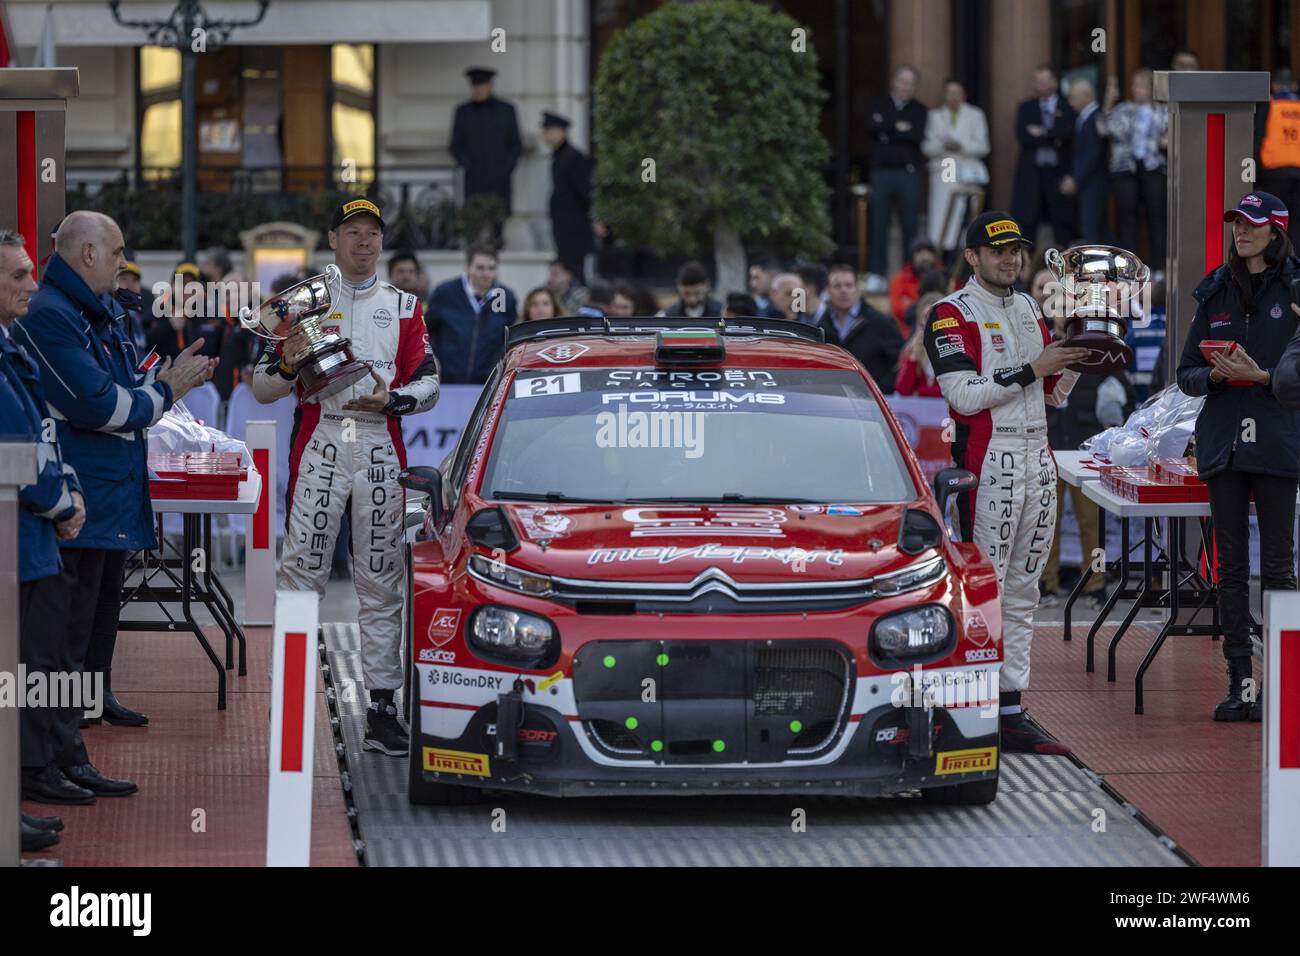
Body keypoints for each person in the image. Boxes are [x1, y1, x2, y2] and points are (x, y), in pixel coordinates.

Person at [14, 211, 215, 799]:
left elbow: (122, 388)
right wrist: (166, 390)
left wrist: (153, 388)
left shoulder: (91, 312)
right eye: (119, 250)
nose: (126, 261)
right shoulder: (54, 316)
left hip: (103, 501)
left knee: (88, 634)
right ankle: (43, 762)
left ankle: (67, 752)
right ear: (88, 255)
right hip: (78, 506)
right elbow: (101, 405)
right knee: (59, 645)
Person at [253, 197, 440, 755]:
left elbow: (429, 381)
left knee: (381, 581)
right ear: (332, 239)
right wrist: (287, 361)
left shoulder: (405, 305)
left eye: (373, 233)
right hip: (322, 441)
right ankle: (288, 697)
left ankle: (382, 709)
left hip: (381, 444)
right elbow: (263, 387)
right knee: (301, 570)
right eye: (352, 232)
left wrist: (397, 398)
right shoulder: (304, 300)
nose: (364, 242)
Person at [923, 211, 1089, 753]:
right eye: (998, 250)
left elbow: (1053, 394)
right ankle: (975, 705)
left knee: (1024, 591)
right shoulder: (950, 314)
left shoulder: (1025, 307)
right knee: (984, 589)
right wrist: (1034, 369)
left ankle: (1011, 706)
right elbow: (963, 396)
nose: (1010, 258)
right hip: (986, 464)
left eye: (1016, 249)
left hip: (1037, 458)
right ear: (972, 256)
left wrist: (1081, 350)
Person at [1176, 192, 1300, 722]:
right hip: (1223, 440)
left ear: (1276, 230)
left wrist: (1265, 377)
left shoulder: (1296, 287)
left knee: (1277, 567)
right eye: (1235, 223)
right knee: (1229, 569)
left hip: (1277, 441)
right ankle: (1241, 682)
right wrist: (1217, 376)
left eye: (1251, 224)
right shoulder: (1216, 288)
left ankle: (1284, 684)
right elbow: (1185, 375)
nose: (1240, 232)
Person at [0, 230, 83, 848]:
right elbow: (11, 455)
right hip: (14, 543)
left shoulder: (10, 345)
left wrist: (66, 493)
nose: (33, 282)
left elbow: (42, 431)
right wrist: (60, 503)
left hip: (26, 543)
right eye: (20, 275)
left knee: (27, 672)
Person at [1036, 266, 1136, 609]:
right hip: (1046, 443)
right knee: (1045, 522)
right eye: (1059, 305)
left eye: (1070, 305)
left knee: (1091, 524)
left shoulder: (1097, 342)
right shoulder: (1038, 343)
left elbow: (1121, 383)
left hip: (1084, 446)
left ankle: (1094, 583)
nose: (1064, 311)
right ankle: (1045, 584)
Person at [865, 65, 928, 292]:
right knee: (878, 223)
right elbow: (873, 126)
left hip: (907, 172)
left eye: (910, 83)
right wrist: (898, 129)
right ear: (894, 82)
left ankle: (908, 274)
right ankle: (877, 273)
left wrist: (888, 132)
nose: (905, 87)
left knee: (909, 225)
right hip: (881, 172)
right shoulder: (878, 104)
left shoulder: (919, 110)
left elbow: (916, 135)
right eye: (902, 81)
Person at [1097, 68, 1169, 269]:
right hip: (1125, 168)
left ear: (1152, 88)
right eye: (1134, 85)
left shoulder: (1164, 111)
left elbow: (1175, 136)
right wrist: (1108, 101)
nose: (1137, 90)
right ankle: (1129, 267)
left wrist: (1169, 140)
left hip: (1153, 167)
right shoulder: (1123, 109)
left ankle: (1158, 269)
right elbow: (1103, 128)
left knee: (1157, 217)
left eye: (1141, 85)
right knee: (1127, 217)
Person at [426, 243, 519, 384]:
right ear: (468, 267)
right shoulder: (445, 293)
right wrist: (432, 362)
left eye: (491, 268)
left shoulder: (506, 297)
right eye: (480, 268)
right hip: (447, 382)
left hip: (488, 385)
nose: (486, 274)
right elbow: (425, 332)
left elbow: (509, 338)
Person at [449, 67, 522, 235]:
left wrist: (506, 169)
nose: (478, 90)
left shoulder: (507, 110)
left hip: (500, 179)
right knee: (473, 225)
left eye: (482, 86)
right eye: (475, 86)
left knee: (499, 226)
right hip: (474, 179)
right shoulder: (463, 112)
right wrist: (468, 165)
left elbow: (516, 144)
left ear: (490, 86)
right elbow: (455, 145)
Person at [922, 78, 990, 254]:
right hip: (944, 169)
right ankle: (942, 252)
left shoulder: (975, 115)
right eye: (949, 93)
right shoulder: (934, 116)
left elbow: (984, 146)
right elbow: (926, 146)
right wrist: (943, 146)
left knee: (967, 216)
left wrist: (961, 145)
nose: (953, 97)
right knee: (942, 215)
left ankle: (966, 253)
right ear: (944, 94)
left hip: (968, 172)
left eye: (957, 93)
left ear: (964, 95)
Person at [1012, 65, 1076, 247]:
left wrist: (1042, 132)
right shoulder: (1026, 107)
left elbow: (1067, 134)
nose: (1038, 85)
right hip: (1032, 173)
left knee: (1061, 221)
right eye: (1036, 81)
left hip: (1058, 174)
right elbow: (1023, 136)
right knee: (1028, 220)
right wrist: (1053, 136)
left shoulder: (1067, 106)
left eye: (1043, 81)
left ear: (1054, 83)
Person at [819, 264, 904, 394]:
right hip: (832, 400)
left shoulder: (880, 322)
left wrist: (879, 388)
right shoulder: (821, 325)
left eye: (848, 285)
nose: (843, 290)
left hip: (871, 402)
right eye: (837, 286)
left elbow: (901, 360)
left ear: (857, 289)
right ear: (828, 291)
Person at [541, 111, 595, 283]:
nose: (545, 134)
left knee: (575, 271)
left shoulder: (573, 157)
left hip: (574, 226)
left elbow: (584, 191)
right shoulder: (559, 157)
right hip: (564, 225)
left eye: (548, 130)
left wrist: (594, 218)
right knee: (568, 269)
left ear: (560, 131)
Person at [1061, 78, 1107, 244]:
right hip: (1086, 183)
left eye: (1073, 97)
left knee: (1092, 227)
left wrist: (1076, 179)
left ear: (1086, 95)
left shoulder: (1095, 116)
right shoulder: (1082, 118)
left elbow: (1093, 153)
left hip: (1094, 182)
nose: (1070, 102)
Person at [1257, 69, 1300, 246]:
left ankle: (1275, 263)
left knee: (1274, 224)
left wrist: (1256, 175)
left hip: (1274, 175)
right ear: (1295, 86)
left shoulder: (1269, 106)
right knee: (1297, 225)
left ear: (1273, 86)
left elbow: (1258, 138)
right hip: (1299, 172)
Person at [893, 291, 944, 396]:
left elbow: (950, 391)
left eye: (934, 317)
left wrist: (919, 392)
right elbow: (902, 390)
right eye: (926, 318)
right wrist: (914, 356)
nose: (931, 323)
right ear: (920, 321)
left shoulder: (955, 345)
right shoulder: (911, 348)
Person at [888, 238, 938, 335]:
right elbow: (898, 309)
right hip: (906, 335)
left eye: (929, 252)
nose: (925, 257)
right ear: (912, 256)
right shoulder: (899, 280)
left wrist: (911, 303)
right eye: (919, 252)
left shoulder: (943, 277)